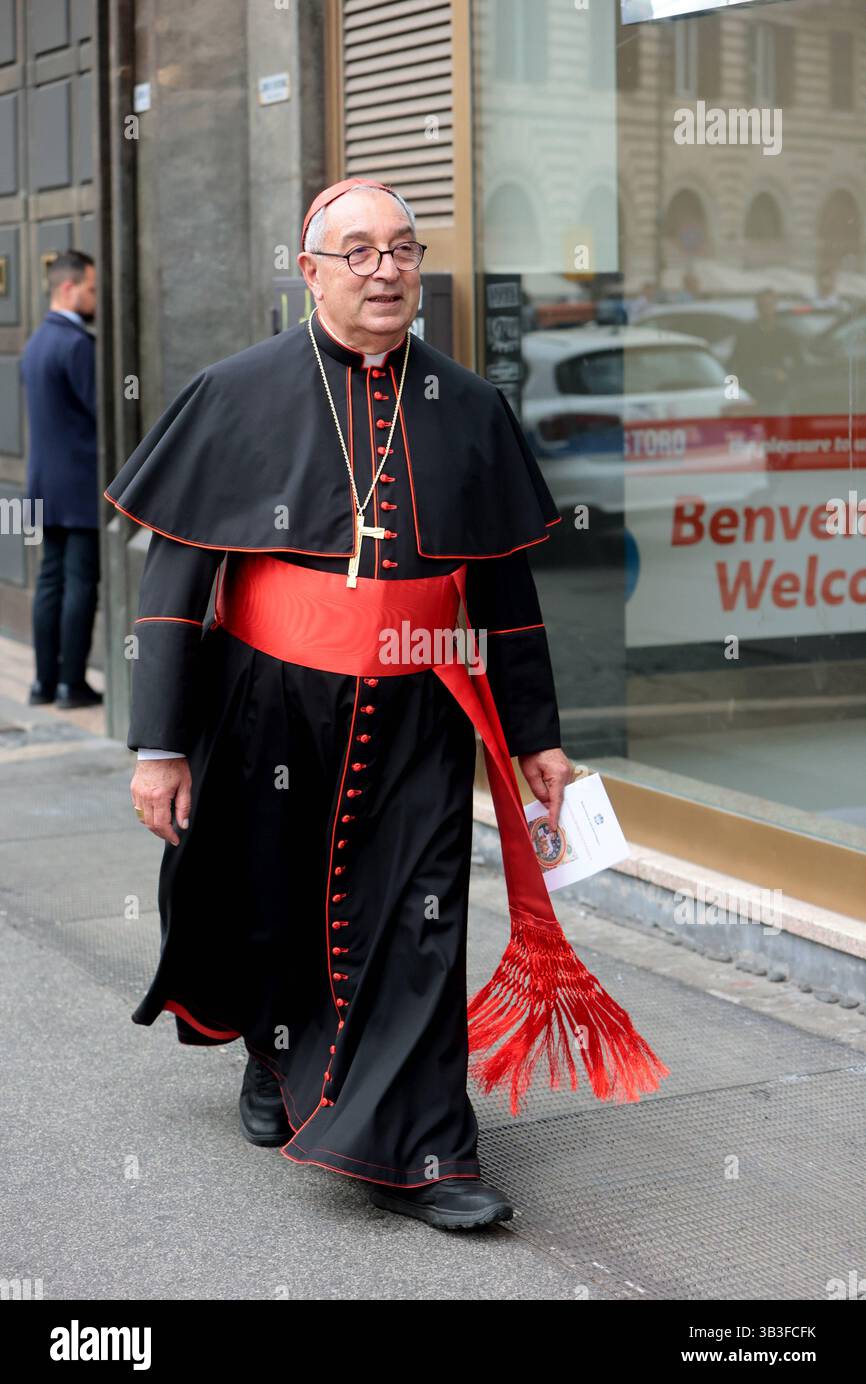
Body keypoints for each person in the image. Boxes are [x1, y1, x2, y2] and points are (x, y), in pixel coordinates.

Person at [104, 179, 668, 1232]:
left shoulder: (471, 405)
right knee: (274, 903)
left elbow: (505, 595)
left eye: (402, 250)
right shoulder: (238, 393)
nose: (384, 270)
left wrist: (538, 739)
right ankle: (276, 1059)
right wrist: (160, 745)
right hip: (271, 702)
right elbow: (176, 592)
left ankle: (426, 1149)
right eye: (356, 252)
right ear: (309, 271)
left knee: (419, 920)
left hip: (421, 708)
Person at [21, 249, 103, 709]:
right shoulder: (75, 345)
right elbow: (100, 415)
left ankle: (42, 683)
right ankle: (73, 683)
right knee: (79, 585)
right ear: (68, 287)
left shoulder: (36, 342)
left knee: (50, 582)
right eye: (91, 289)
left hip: (43, 489)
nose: (95, 298)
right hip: (78, 488)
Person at [729, 288, 804, 412]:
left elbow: (800, 364)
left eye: (769, 305)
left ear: (775, 306)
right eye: (762, 306)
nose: (766, 309)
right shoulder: (746, 334)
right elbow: (734, 364)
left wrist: (786, 375)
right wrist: (735, 393)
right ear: (757, 308)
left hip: (778, 395)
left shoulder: (786, 334)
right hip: (752, 395)